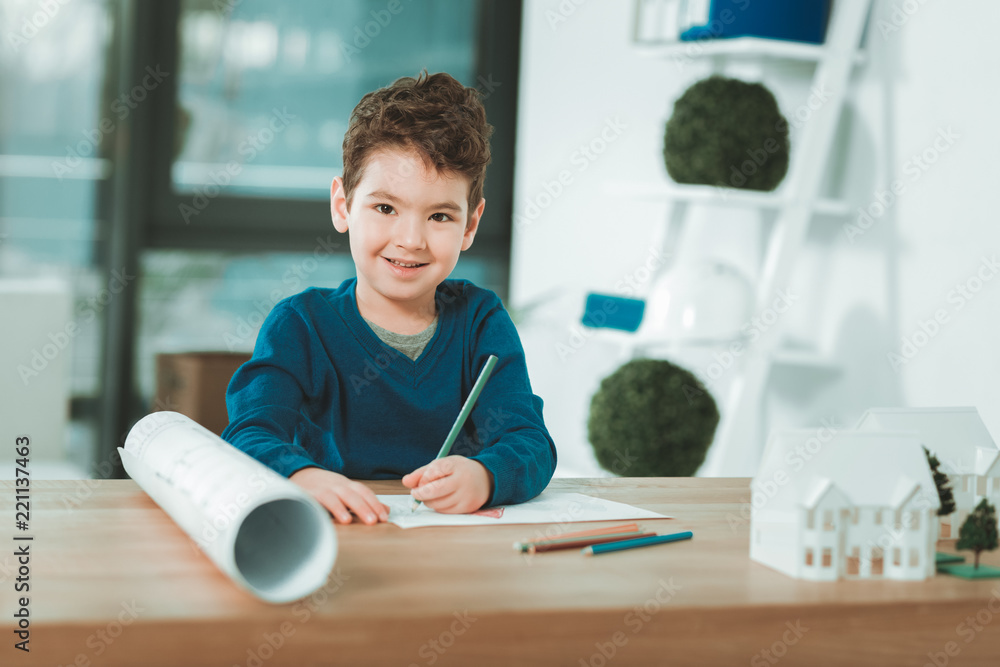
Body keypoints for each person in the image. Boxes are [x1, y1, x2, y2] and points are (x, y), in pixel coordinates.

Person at [222, 71, 557, 525]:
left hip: (453, 555)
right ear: (343, 206)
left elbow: (529, 441)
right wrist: (300, 475)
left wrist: (484, 475)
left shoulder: (481, 322)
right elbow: (249, 431)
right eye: (385, 208)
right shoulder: (300, 325)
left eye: (439, 216)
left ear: (470, 226)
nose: (411, 239)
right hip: (334, 541)